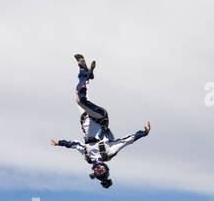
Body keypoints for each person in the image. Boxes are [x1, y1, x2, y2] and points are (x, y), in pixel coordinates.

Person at [52, 54, 150, 187]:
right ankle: (85, 73)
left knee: (80, 95)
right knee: (80, 99)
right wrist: (143, 133)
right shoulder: (108, 153)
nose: (99, 170)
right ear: (106, 168)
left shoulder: (88, 157)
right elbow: (126, 141)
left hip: (85, 118)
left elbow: (76, 145)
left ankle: (84, 72)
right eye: (102, 171)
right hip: (100, 118)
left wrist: (60, 143)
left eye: (97, 173)